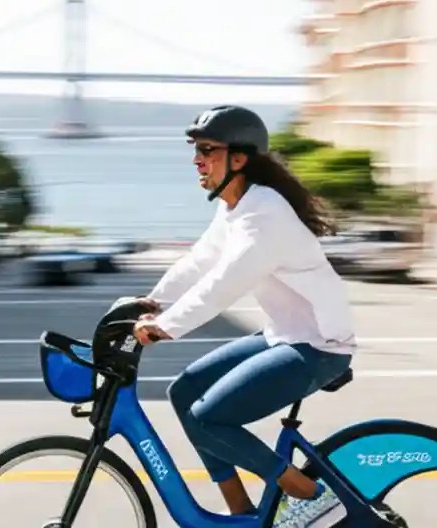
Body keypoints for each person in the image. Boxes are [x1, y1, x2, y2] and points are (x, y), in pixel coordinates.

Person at [131, 105, 355, 528]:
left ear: (240, 158)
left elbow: (225, 283)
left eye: (208, 150)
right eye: (196, 150)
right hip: (283, 335)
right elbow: (201, 260)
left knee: (208, 418)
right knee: (184, 392)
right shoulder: (237, 206)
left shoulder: (265, 214)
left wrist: (167, 326)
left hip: (318, 346)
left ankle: (310, 496)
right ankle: (242, 516)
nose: (197, 160)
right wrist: (151, 301)